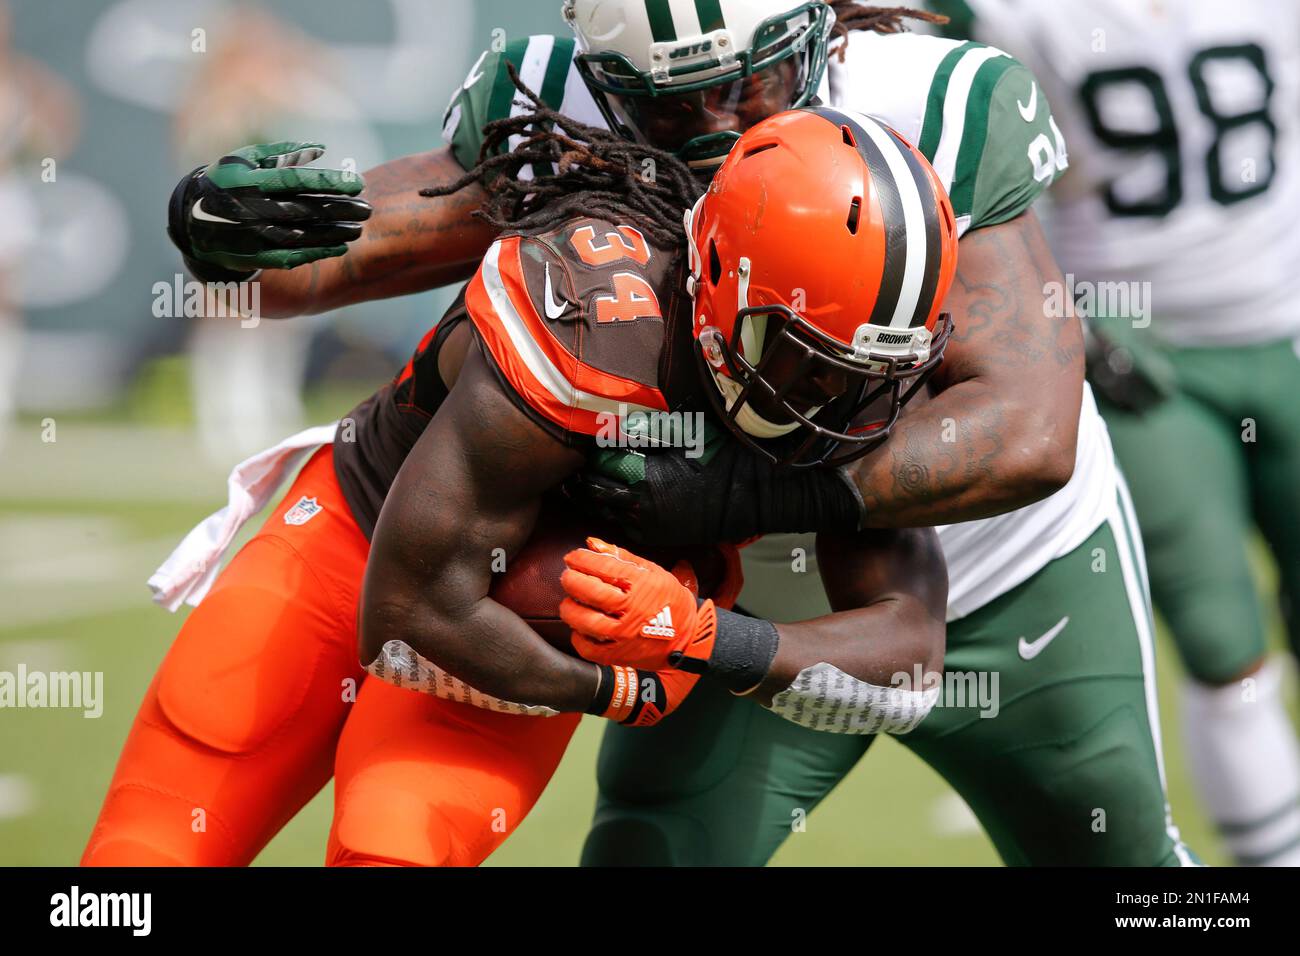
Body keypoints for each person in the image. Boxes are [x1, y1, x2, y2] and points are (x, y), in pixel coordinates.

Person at [161, 1, 1192, 865]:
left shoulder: (933, 100)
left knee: (1133, 874)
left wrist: (729, 492)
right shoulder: (553, 98)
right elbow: (321, 262)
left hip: (1009, 567)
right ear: (605, 80)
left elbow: (1024, 434)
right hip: (722, 598)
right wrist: (231, 227)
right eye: (669, 99)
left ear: (812, 36)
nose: (714, 125)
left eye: (748, 83)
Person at [84, 100, 954, 867]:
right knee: (147, 853)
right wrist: (615, 688)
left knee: (397, 848)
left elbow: (909, 662)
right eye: (803, 358)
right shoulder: (588, 317)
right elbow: (400, 620)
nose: (832, 399)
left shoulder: (860, 375)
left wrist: (703, 637)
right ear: (721, 286)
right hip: (362, 537)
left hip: (519, 626)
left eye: (865, 372)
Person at [925, 0, 1300, 868]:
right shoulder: (1020, 17)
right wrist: (1074, 326)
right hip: (1151, 362)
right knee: (1221, 646)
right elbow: (982, 191)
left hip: (1287, 329)